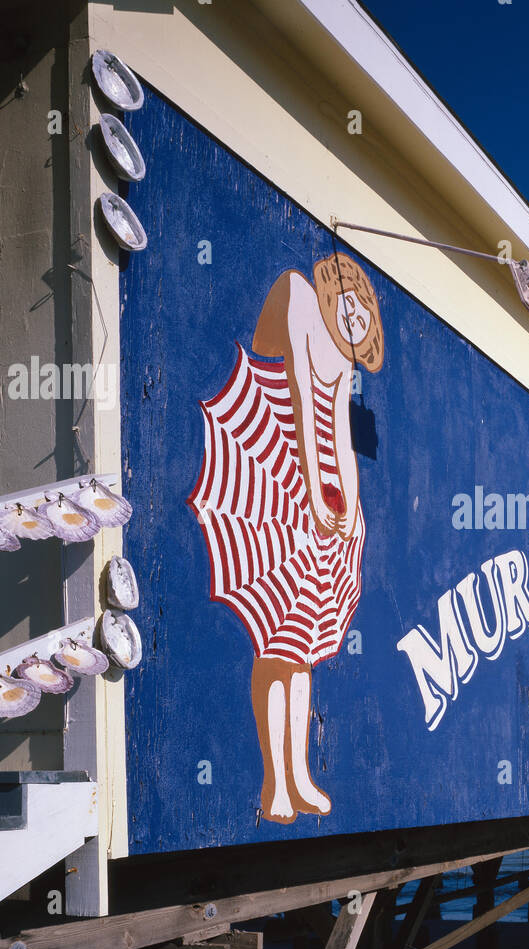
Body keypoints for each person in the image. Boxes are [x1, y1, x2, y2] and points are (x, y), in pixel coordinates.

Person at [193, 251, 383, 824]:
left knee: (305, 653)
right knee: (274, 647)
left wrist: (351, 506)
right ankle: (273, 779)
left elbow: (342, 435)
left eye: (363, 312)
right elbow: (301, 400)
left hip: (325, 500)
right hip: (279, 486)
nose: (356, 318)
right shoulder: (302, 301)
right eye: (350, 305)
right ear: (333, 293)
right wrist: (311, 486)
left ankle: (298, 773)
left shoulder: (347, 356)